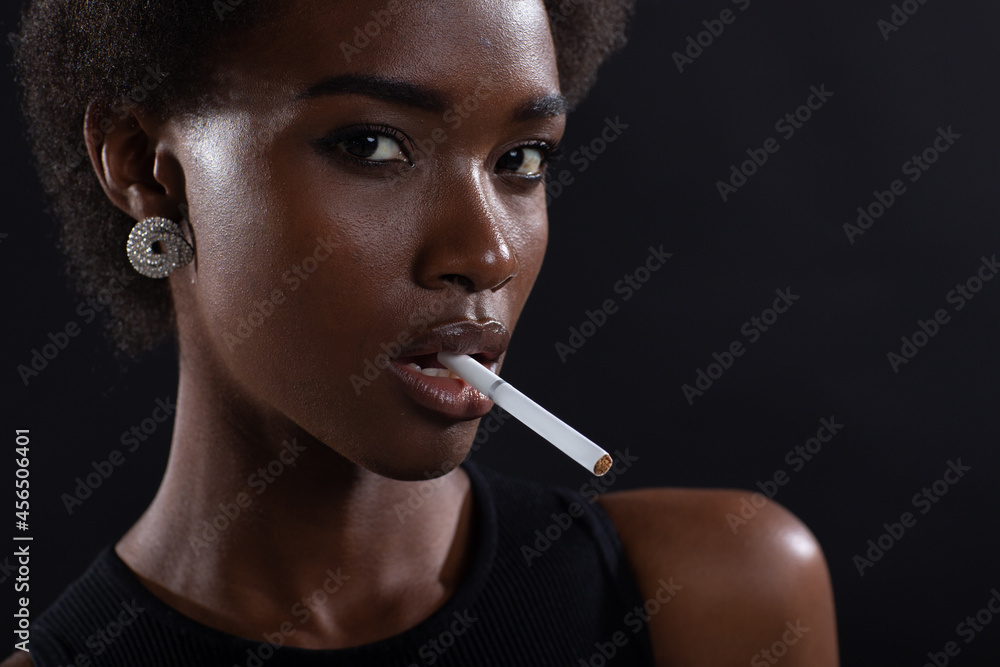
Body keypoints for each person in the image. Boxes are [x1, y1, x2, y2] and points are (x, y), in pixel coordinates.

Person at [7, 0, 839, 664]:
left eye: (521, 159)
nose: (486, 253)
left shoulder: (721, 600)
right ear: (147, 168)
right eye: (372, 144)